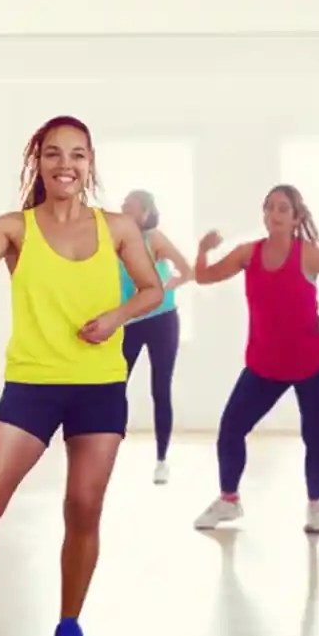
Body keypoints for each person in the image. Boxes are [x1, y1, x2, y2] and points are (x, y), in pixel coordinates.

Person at [0, 115, 163, 636]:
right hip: (32, 382)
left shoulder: (118, 227)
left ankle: (69, 626)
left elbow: (152, 289)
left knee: (83, 507)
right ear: (38, 162)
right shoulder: (14, 228)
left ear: (89, 163)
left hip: (99, 384)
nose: (65, 164)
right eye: (53, 153)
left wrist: (115, 317)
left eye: (77, 154)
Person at [191, 184, 319, 535]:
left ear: (295, 217)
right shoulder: (248, 253)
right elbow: (204, 276)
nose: (273, 214)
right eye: (269, 207)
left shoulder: (310, 255)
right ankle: (229, 500)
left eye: (282, 209)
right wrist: (202, 250)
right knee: (231, 428)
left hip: (313, 362)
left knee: (317, 437)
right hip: (266, 364)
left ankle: (315, 505)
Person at [118, 189, 194, 484]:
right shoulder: (116, 241)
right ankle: (108, 448)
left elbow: (186, 270)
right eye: (124, 204)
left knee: (160, 389)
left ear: (145, 213)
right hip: (131, 321)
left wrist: (169, 285)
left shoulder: (154, 239)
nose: (124, 208)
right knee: (115, 386)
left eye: (131, 206)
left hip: (162, 320)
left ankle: (162, 460)